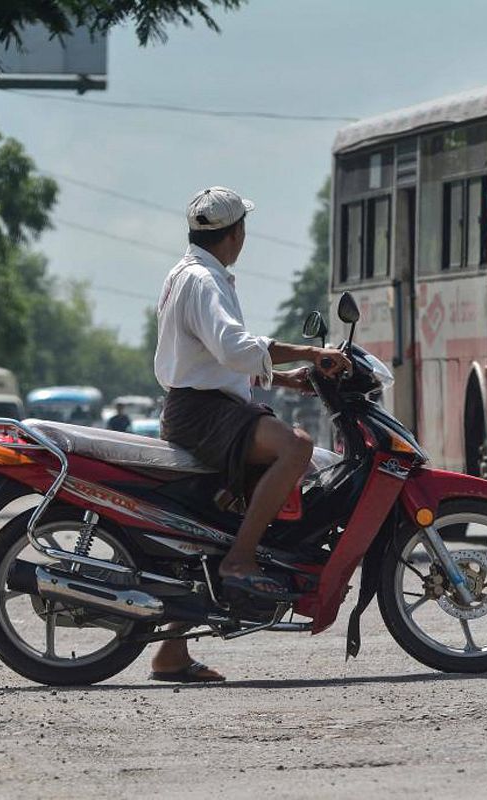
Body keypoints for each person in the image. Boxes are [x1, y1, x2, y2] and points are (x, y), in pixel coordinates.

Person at [148, 186, 351, 683]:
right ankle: (240, 561)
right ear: (236, 233)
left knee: (220, 519)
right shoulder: (205, 281)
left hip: (199, 407)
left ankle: (171, 653)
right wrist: (310, 353)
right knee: (296, 446)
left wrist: (285, 379)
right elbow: (234, 348)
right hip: (203, 413)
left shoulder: (187, 273)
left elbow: (214, 360)